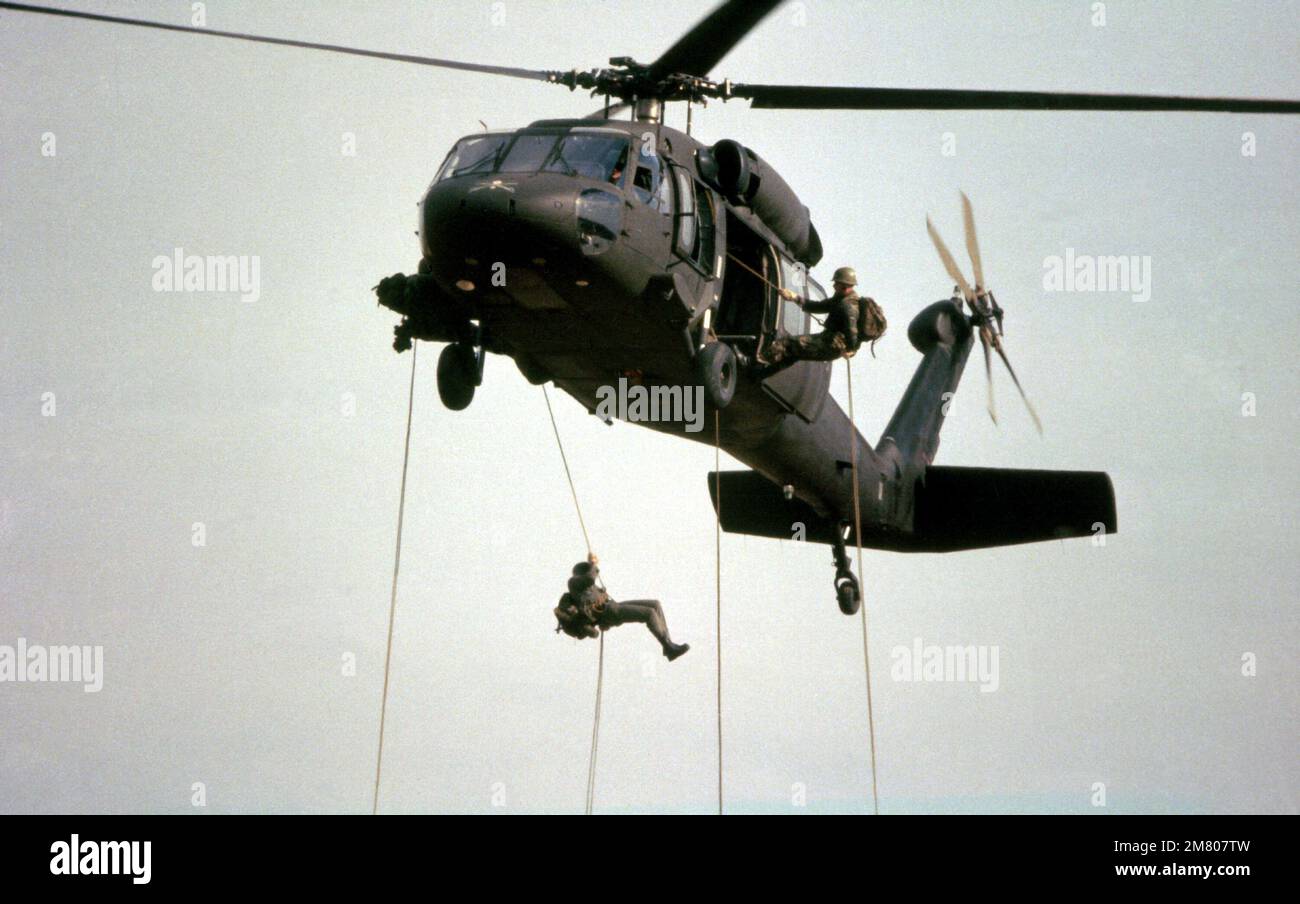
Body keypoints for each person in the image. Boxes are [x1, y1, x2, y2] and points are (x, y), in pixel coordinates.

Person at [553, 554, 690, 661]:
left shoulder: (589, 587)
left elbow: (591, 583)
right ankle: (667, 646)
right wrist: (594, 564)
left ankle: (668, 643)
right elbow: (590, 578)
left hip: (612, 607)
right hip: (607, 612)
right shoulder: (573, 583)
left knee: (655, 604)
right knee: (648, 614)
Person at [759, 266, 883, 374]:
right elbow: (818, 307)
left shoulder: (848, 306)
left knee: (788, 343)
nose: (834, 285)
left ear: (845, 286)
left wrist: (851, 350)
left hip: (831, 346)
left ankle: (755, 360)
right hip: (828, 341)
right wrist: (794, 297)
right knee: (792, 354)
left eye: (837, 283)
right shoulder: (841, 298)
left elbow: (852, 332)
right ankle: (757, 374)